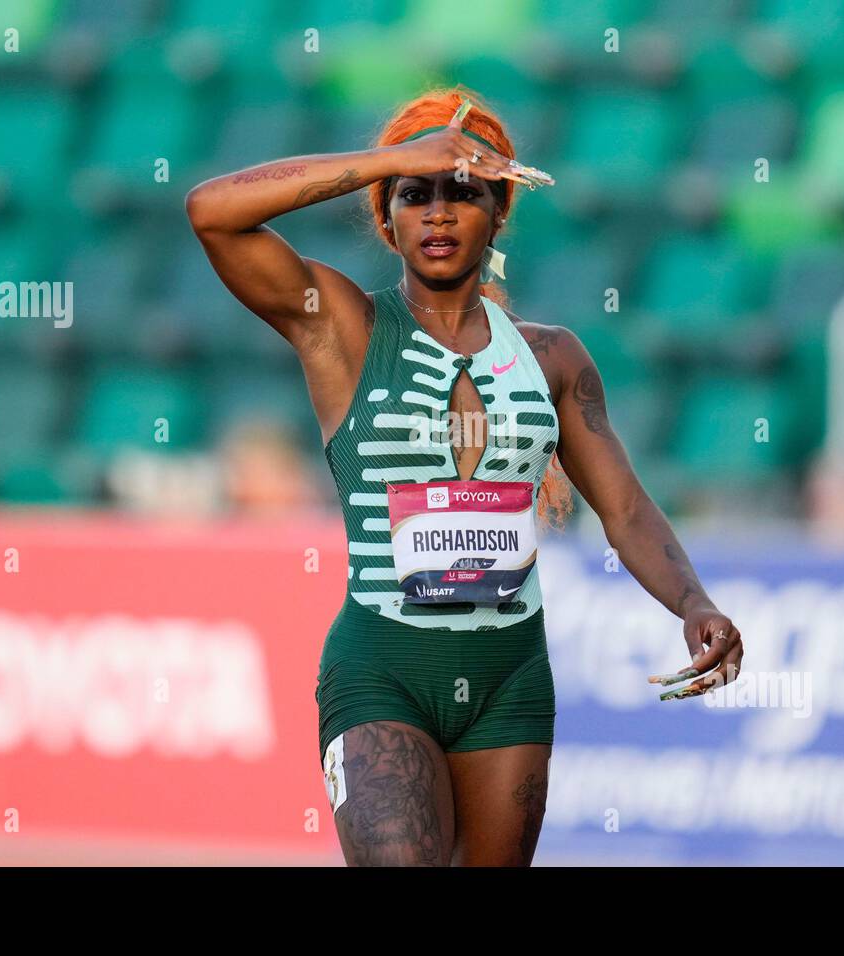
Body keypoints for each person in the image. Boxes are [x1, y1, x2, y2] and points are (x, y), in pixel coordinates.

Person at [185, 86, 742, 866]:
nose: (438, 214)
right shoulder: (342, 325)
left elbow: (623, 508)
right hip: (382, 673)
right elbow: (212, 210)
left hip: (508, 684)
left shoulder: (552, 358)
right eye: (415, 196)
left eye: (464, 193)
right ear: (387, 217)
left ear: (501, 212)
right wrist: (392, 158)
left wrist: (694, 603)